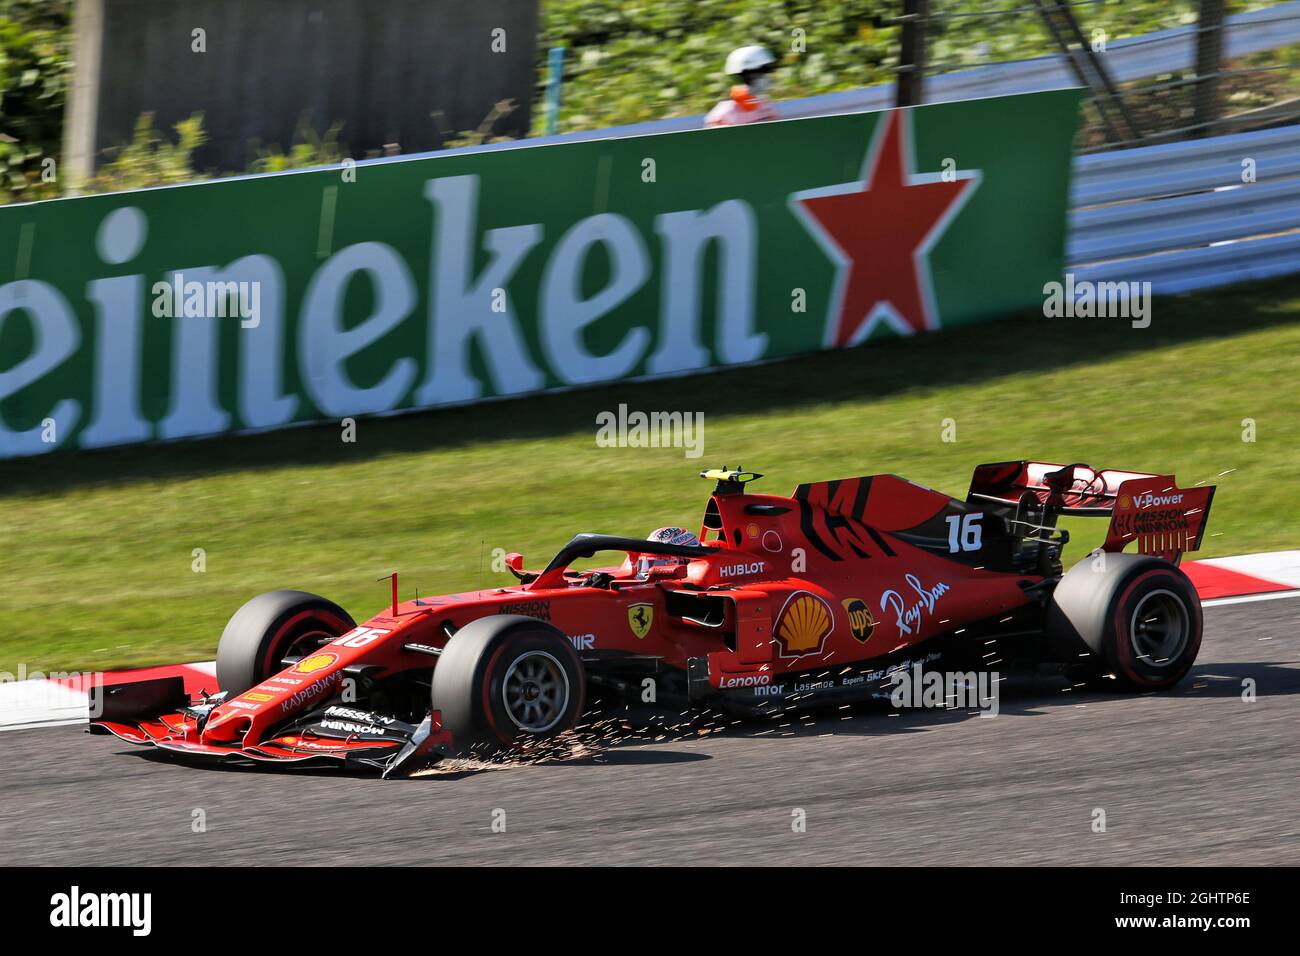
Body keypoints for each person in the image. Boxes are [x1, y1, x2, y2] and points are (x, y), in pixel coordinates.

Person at [705, 45, 779, 128]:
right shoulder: (723, 114)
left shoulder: (765, 105)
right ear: (748, 76)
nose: (767, 77)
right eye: (763, 72)